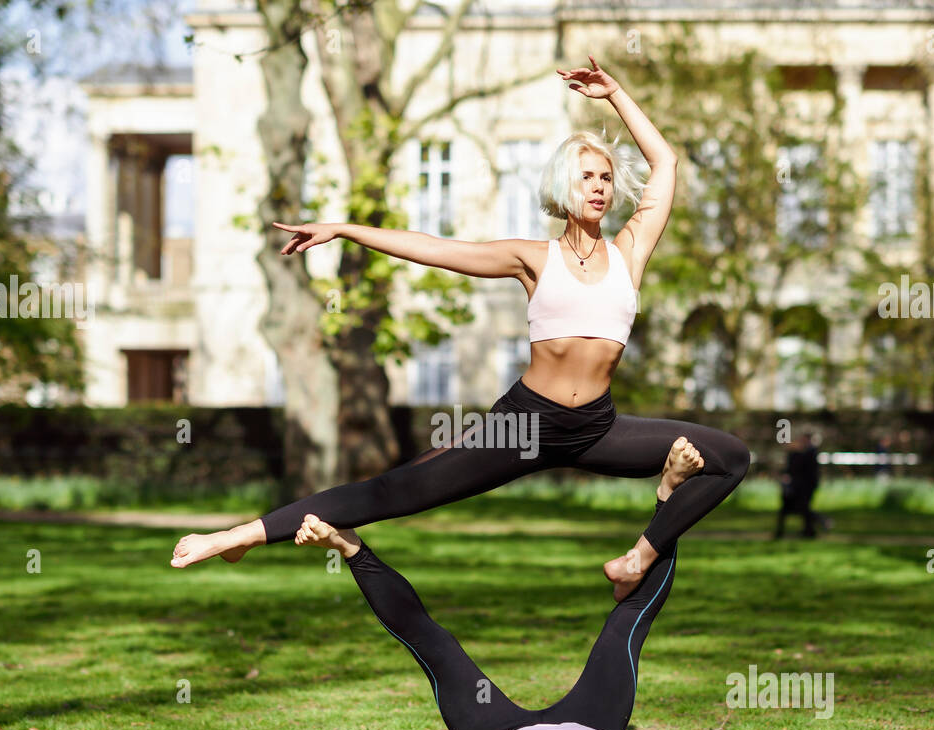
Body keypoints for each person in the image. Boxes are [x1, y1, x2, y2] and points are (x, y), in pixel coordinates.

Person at [171, 56, 750, 601]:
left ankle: (637, 559)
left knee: (730, 457)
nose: (598, 186)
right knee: (397, 493)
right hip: (525, 424)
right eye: (586, 176)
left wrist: (615, 94)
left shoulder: (631, 251)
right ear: (564, 188)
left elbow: (666, 163)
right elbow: (435, 249)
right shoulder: (532, 258)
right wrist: (346, 229)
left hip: (596, 427)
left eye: (604, 176)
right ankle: (238, 537)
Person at [291, 437, 704, 730]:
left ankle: (350, 547)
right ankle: (669, 496)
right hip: (594, 717)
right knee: (630, 622)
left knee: (435, 645)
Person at [775, 430, 828, 539]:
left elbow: (806, 470)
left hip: (805, 486)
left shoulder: (810, 452)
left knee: (802, 508)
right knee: (797, 509)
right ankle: (811, 528)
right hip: (796, 486)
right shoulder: (798, 452)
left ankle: (811, 529)